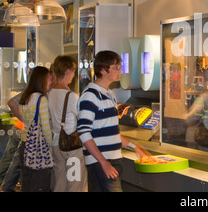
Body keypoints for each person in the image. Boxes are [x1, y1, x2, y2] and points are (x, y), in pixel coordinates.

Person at [77, 50, 149, 192]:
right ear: (102, 70)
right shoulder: (90, 96)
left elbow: (111, 133)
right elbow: (84, 133)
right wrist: (103, 162)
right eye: (115, 67)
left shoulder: (109, 94)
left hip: (113, 159)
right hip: (102, 161)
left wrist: (134, 147)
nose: (120, 71)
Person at [48, 55, 87, 192]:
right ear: (68, 72)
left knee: (60, 183)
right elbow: (82, 120)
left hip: (56, 145)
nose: (74, 75)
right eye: (74, 71)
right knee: (75, 185)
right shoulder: (71, 97)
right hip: (71, 148)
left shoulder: (49, 93)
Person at [18, 66, 53, 192]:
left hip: (25, 144)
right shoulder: (41, 100)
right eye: (49, 79)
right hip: (38, 148)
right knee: (40, 184)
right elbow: (46, 129)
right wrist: (51, 146)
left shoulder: (26, 98)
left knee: (27, 183)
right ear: (42, 80)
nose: (51, 82)